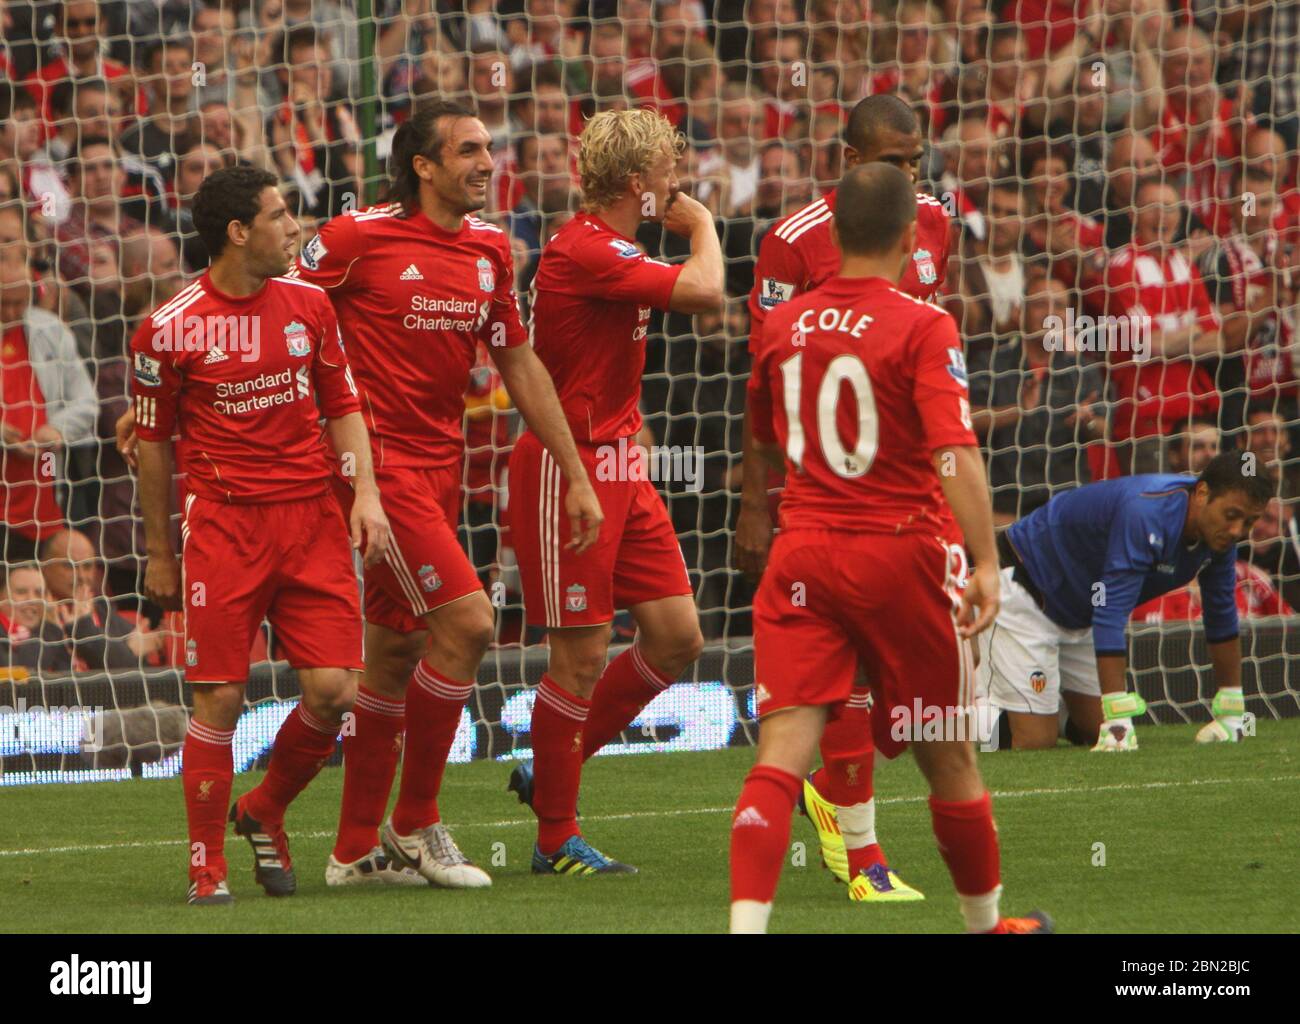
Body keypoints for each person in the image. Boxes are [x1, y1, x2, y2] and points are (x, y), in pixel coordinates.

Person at [289, 98, 602, 888]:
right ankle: (416, 821)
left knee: (394, 654)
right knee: (467, 623)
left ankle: (352, 851)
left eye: (487, 147)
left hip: (441, 469)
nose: (484, 161)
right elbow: (279, 310)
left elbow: (520, 364)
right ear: (422, 166)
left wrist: (573, 469)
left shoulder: (493, 252)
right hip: (373, 469)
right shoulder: (357, 238)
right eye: (466, 149)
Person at [732, 162, 1049, 935]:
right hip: (901, 555)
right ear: (913, 239)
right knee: (949, 756)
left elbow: (767, 443)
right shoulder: (922, 323)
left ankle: (744, 929)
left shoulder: (783, 324)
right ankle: (985, 926)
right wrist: (981, 559)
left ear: (834, 233)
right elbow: (955, 451)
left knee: (780, 756)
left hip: (802, 555)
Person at [131, 165, 391, 905]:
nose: (295, 228)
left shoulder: (310, 306)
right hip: (224, 527)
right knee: (219, 697)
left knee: (338, 690)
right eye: (281, 216)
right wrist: (158, 552)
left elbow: (342, 406)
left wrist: (364, 493)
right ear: (239, 232)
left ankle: (265, 809)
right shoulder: (169, 327)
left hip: (311, 518)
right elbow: (152, 443)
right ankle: (205, 870)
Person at [735, 94, 952, 903]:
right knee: (847, 670)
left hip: (909, 490)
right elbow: (760, 379)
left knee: (913, 694)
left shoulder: (932, 225)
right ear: (846, 156)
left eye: (914, 162)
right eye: (889, 162)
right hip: (822, 493)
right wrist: (755, 502)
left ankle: (840, 802)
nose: (905, 177)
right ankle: (862, 850)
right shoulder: (791, 243)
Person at [505, 106, 721, 874]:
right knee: (580, 654)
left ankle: (548, 771)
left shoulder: (610, 244)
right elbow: (706, 292)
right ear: (639, 182)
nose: (676, 177)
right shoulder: (586, 250)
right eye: (667, 167)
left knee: (676, 636)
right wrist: (700, 227)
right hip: (571, 467)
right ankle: (554, 837)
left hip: (622, 459)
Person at [980, 453, 1272, 752]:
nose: (1238, 530)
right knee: (1036, 741)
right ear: (1202, 494)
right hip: (1028, 588)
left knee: (1095, 731)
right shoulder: (1147, 513)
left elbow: (1222, 615)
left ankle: (1043, 705)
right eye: (1232, 515)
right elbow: (1111, 609)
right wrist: (1118, 717)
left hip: (1080, 610)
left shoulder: (1221, 537)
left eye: (1249, 521)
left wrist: (1232, 712)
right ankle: (958, 710)